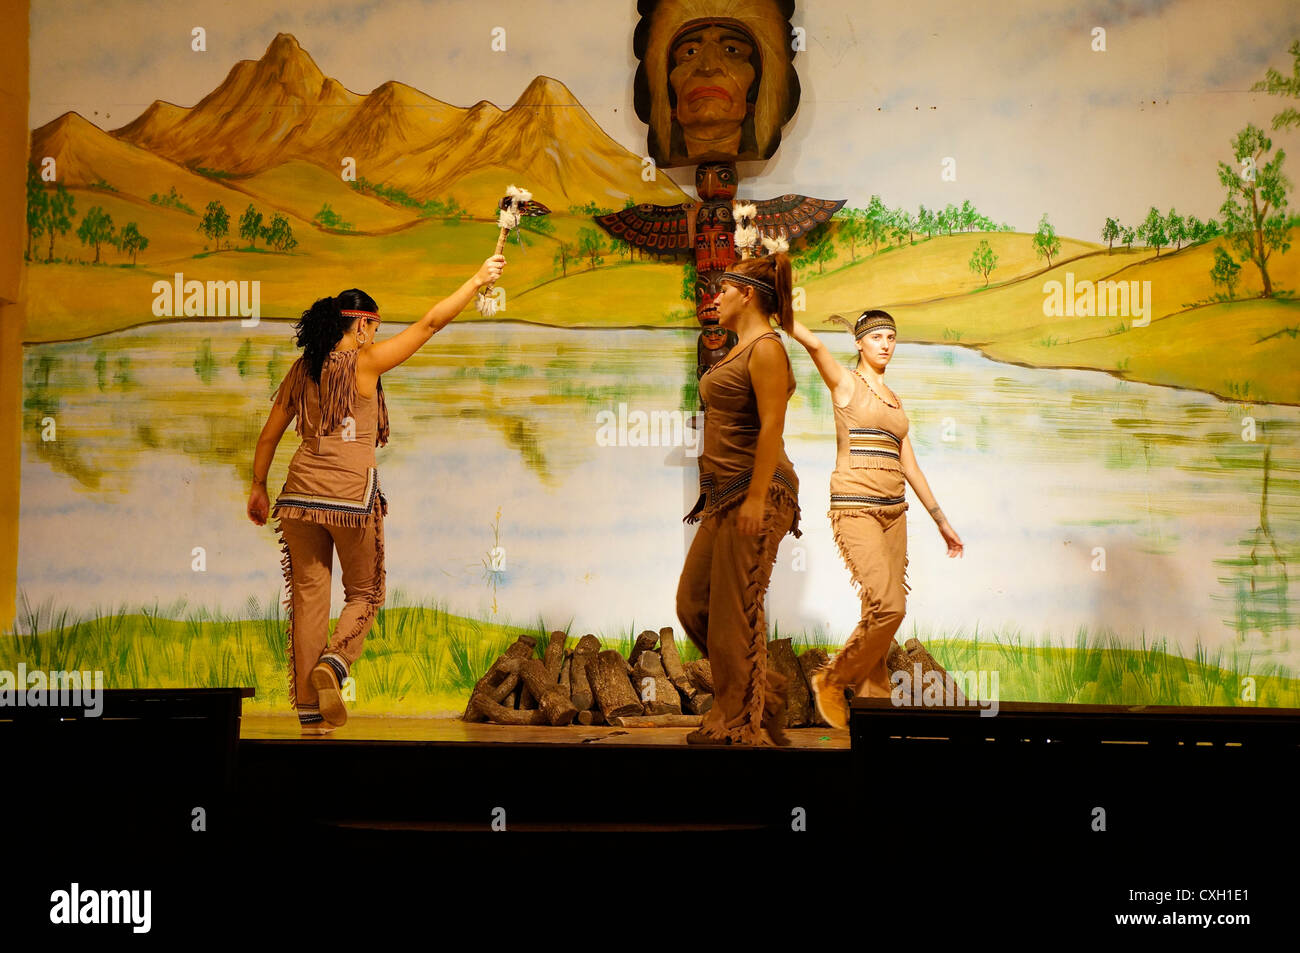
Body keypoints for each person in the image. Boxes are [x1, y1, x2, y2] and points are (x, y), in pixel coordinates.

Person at [246, 255, 506, 733]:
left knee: (309, 598)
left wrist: (259, 487)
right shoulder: (366, 361)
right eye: (375, 325)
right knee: (365, 592)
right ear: (362, 325)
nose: (376, 333)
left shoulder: (303, 368)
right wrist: (477, 279)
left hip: (299, 494)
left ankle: (309, 713)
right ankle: (334, 664)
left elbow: (269, 434)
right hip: (350, 496)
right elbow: (430, 323)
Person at [788, 310, 964, 729]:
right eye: (877, 337)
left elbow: (912, 468)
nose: (886, 344)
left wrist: (941, 521)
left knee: (876, 612)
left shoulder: (895, 401)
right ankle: (832, 679)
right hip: (856, 506)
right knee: (890, 607)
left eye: (891, 337)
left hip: (894, 512)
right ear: (860, 343)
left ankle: (873, 712)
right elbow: (814, 345)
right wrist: (782, 313)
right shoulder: (847, 383)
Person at [676, 250, 800, 745]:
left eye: (723, 289)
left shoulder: (766, 349)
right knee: (693, 604)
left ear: (746, 295)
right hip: (724, 497)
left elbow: (772, 425)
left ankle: (736, 720)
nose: (716, 297)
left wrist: (754, 499)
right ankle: (763, 694)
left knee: (734, 613)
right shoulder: (737, 348)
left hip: (758, 492)